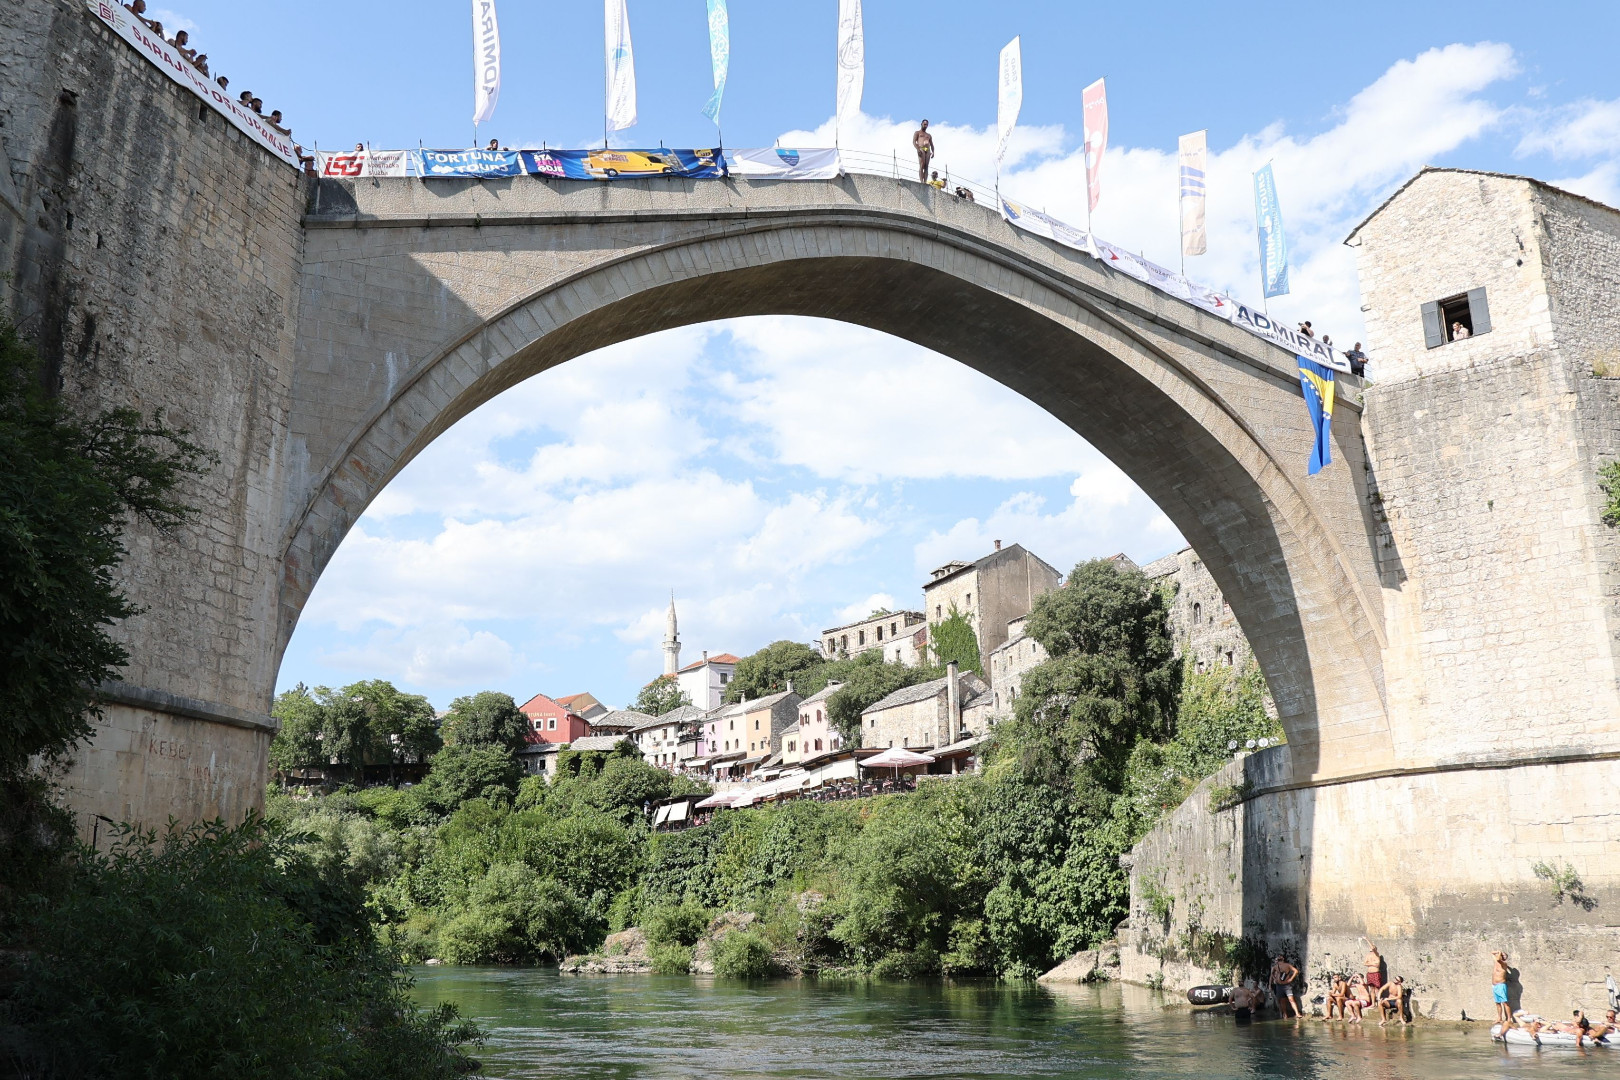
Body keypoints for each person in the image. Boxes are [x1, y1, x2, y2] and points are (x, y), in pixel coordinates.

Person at [1491, 951, 1511, 1025]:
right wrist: (1499, 951)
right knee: (1497, 1003)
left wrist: (1499, 952)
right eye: (1502, 955)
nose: (1502, 956)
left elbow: (1499, 959)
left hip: (1501, 985)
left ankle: (1509, 1019)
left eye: (1503, 955)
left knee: (1505, 1003)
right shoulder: (1496, 962)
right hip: (1494, 985)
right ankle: (1499, 1018)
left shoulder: (1504, 964)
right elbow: (1492, 953)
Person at [913, 120, 934, 184]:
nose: (925, 126)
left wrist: (933, 152)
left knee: (926, 166)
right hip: (921, 148)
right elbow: (914, 142)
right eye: (924, 124)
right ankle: (921, 181)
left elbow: (932, 144)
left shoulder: (929, 135)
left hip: (927, 149)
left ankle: (925, 181)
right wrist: (918, 149)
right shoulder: (917, 133)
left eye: (927, 125)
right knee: (922, 165)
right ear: (921, 124)